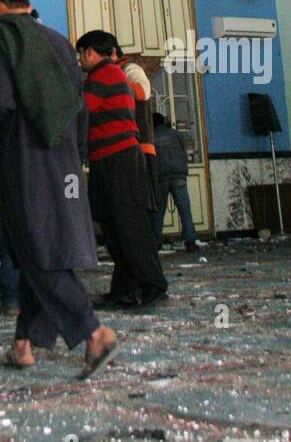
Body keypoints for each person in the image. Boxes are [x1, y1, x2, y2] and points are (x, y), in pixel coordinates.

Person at [0, 0, 117, 379]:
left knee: (35, 248)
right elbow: (78, 105)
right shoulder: (56, 40)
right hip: (64, 154)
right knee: (38, 243)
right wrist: (78, 154)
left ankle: (94, 332)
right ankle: (23, 345)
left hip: (24, 156)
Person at [76, 30, 168, 310]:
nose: (79, 60)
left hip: (119, 161)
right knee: (118, 229)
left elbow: (81, 112)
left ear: (90, 52)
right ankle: (124, 290)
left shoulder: (103, 76)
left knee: (129, 228)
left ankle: (153, 286)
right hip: (114, 159)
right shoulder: (112, 75)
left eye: (80, 54)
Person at [113, 43, 161, 212]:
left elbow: (142, 91)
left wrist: (114, 89)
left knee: (140, 205)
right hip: (133, 147)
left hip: (139, 147)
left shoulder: (130, 69)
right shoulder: (120, 70)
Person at [151, 112, 199, 250]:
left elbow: (151, 159)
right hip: (178, 175)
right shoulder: (175, 134)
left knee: (159, 211)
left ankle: (156, 241)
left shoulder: (152, 137)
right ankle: (190, 241)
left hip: (162, 177)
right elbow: (184, 152)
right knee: (185, 210)